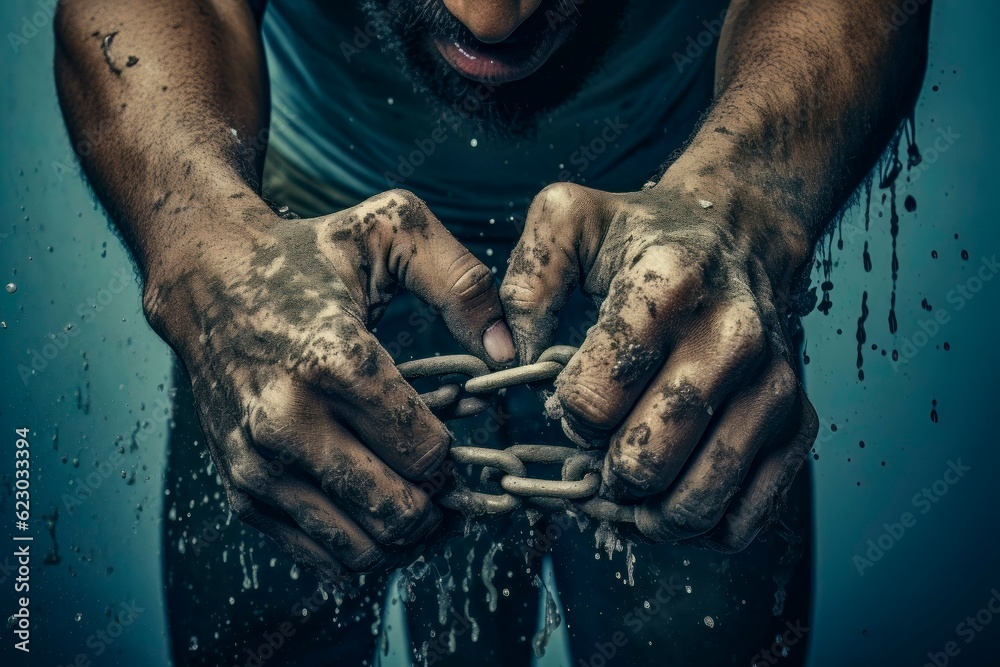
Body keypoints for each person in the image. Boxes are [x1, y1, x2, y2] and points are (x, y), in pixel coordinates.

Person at [53, 0, 930, 664]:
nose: (492, 20)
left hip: (678, 251)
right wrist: (212, 253)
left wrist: (743, 207)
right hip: (302, 242)